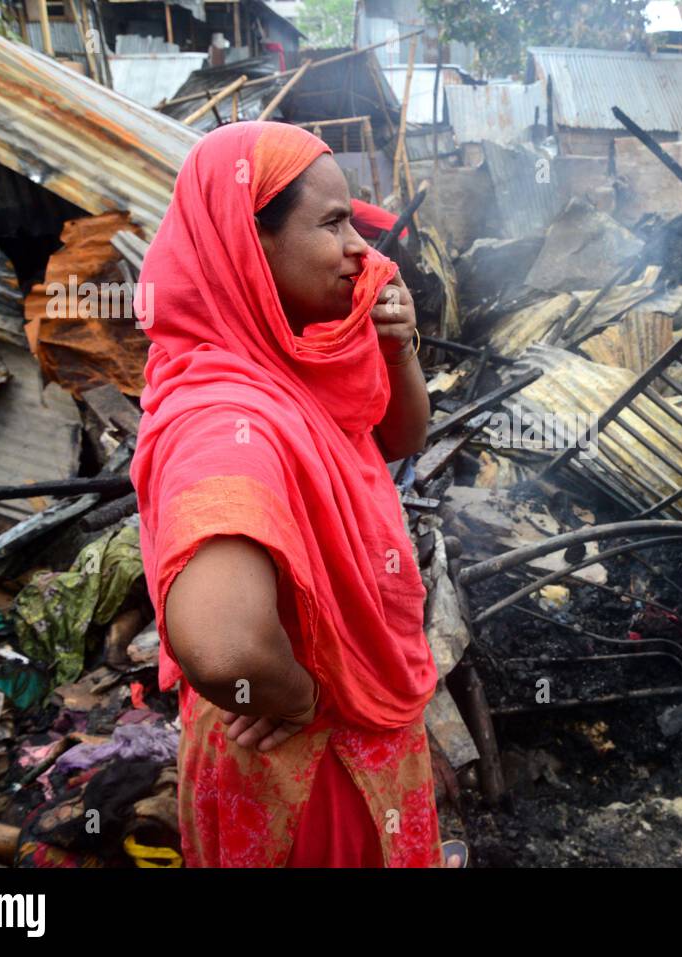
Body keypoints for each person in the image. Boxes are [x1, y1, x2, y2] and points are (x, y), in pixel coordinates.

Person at [130, 121, 456, 867]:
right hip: (310, 782)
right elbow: (225, 643)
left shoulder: (292, 363)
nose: (363, 250)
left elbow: (397, 439)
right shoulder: (225, 418)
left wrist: (396, 347)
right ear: (253, 245)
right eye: (333, 223)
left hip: (331, 762)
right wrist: (303, 698)